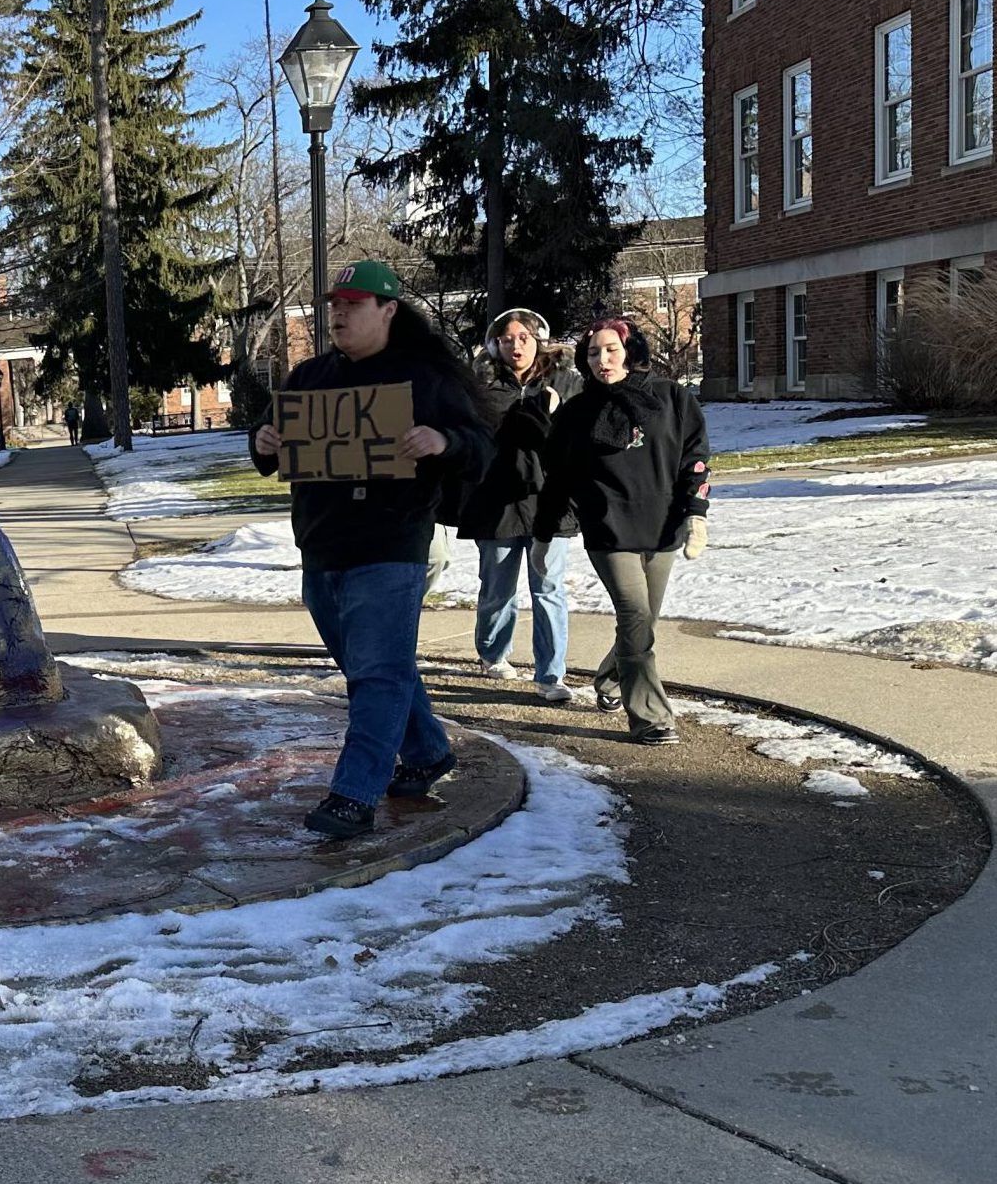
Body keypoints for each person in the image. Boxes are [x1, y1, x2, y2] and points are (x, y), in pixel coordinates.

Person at [249, 260, 495, 839]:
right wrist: (263, 441)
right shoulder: (309, 377)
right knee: (372, 665)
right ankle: (428, 751)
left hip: (392, 543)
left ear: (388, 310)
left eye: (353, 305)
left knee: (376, 674)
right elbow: (267, 448)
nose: (339, 314)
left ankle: (353, 795)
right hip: (322, 546)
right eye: (334, 305)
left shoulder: (423, 379)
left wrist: (443, 440)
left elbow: (482, 448)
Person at [535, 317, 711, 746]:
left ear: (631, 352)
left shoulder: (672, 398)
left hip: (663, 526)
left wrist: (696, 513)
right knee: (634, 615)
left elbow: (695, 457)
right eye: (593, 353)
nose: (603, 360)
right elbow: (557, 479)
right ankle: (650, 717)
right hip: (608, 530)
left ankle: (611, 678)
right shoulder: (576, 414)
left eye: (611, 350)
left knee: (645, 621)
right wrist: (544, 535)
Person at [456, 309, 586, 702]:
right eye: (507, 339)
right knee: (498, 587)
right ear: (494, 344)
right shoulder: (481, 386)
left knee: (548, 587)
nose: (516, 346)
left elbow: (581, 436)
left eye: (524, 338)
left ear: (538, 339)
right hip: (495, 502)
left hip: (550, 501)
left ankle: (551, 674)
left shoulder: (565, 381)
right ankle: (493, 653)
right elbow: (468, 437)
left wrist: (555, 412)